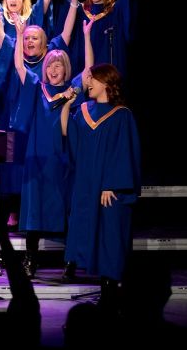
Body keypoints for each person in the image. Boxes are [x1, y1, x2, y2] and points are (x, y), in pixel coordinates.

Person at [8, 12, 93, 277]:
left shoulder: (73, 90)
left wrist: (87, 35)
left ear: (66, 69)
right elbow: (21, 68)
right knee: (34, 210)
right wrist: (20, 35)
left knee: (66, 208)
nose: (54, 69)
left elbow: (89, 71)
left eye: (59, 65)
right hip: (37, 158)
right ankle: (30, 260)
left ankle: (70, 261)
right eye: (50, 65)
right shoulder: (37, 87)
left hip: (62, 159)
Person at [59, 63, 140, 311]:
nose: (88, 83)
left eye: (92, 79)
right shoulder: (84, 110)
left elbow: (124, 152)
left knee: (110, 238)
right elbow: (67, 134)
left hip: (110, 189)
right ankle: (91, 280)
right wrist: (66, 105)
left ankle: (110, 290)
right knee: (87, 231)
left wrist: (111, 184)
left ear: (106, 82)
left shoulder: (121, 114)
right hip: (86, 184)